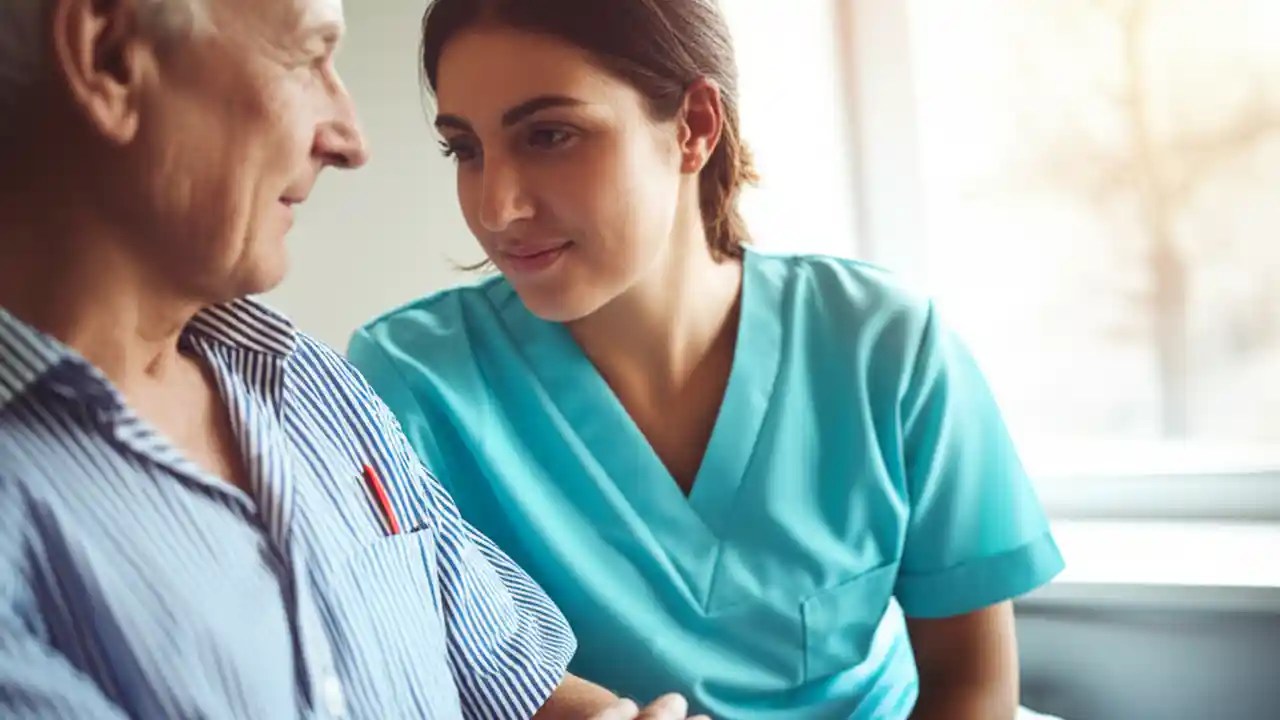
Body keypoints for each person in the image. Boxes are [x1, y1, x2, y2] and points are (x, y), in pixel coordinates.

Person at [348, 0, 1067, 718]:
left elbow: (970, 688)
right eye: (464, 150)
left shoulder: (887, 344)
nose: (496, 206)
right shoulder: (407, 384)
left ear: (693, 127)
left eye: (550, 135)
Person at [0, 1, 704, 718]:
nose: (349, 139)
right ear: (110, 56)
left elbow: (509, 681)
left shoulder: (313, 386)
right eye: (308, 59)